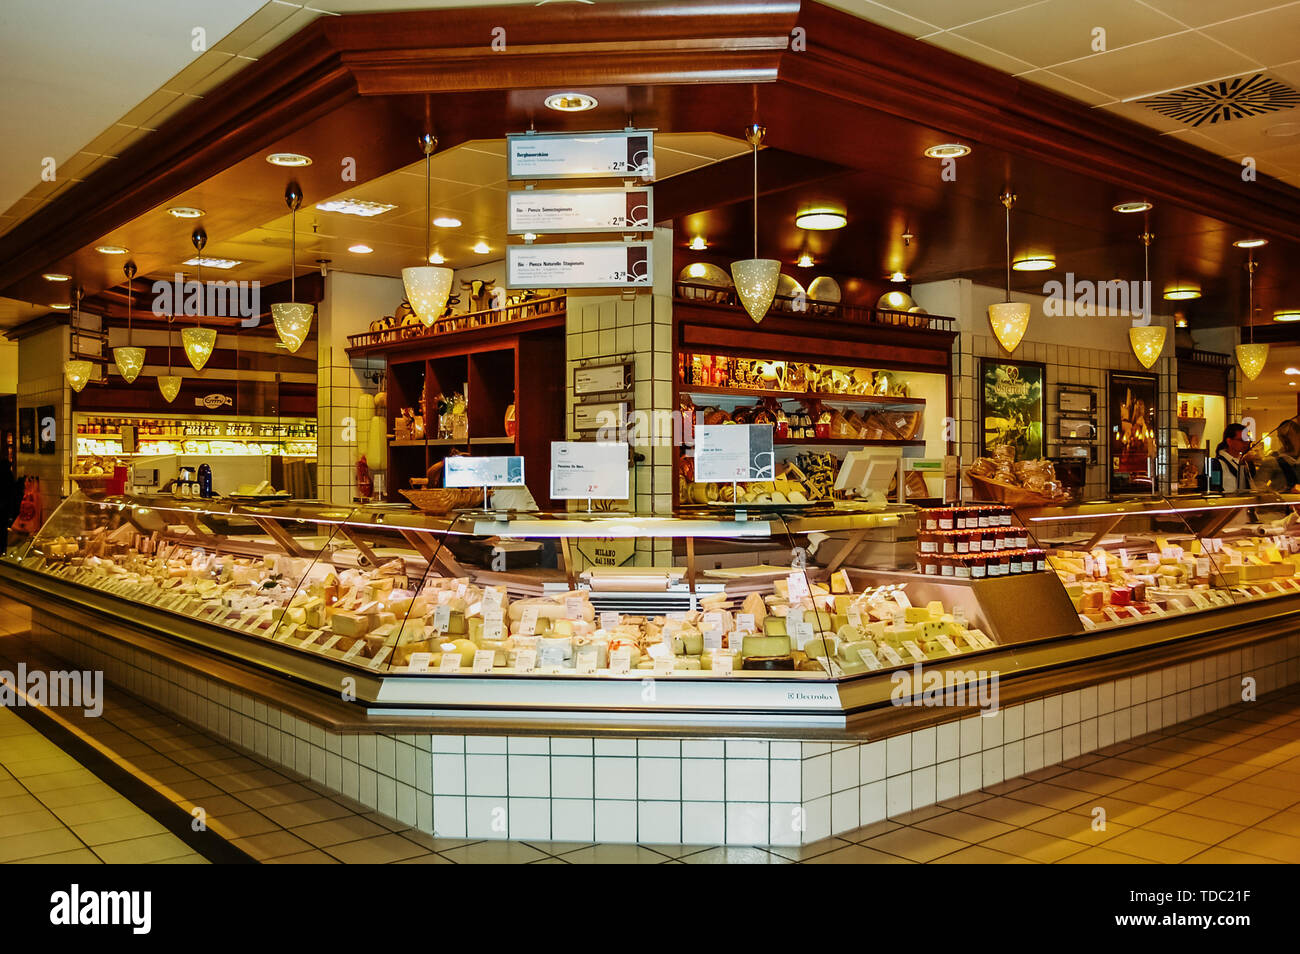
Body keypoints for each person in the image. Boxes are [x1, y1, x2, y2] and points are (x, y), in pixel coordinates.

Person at [1255, 418, 1300, 494]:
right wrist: (1278, 493)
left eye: (1289, 436)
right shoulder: (1272, 461)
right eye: (1283, 437)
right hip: (1282, 503)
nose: (1286, 440)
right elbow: (1258, 486)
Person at [1214, 423, 1255, 492]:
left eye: (1247, 440)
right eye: (1242, 440)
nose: (1246, 443)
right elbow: (1215, 490)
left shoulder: (1245, 461)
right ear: (1229, 441)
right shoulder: (1217, 464)